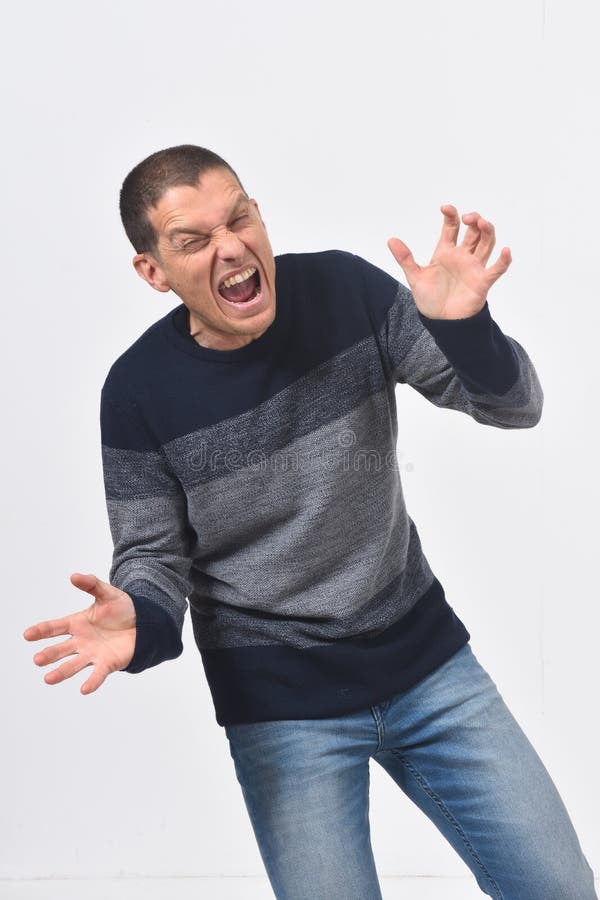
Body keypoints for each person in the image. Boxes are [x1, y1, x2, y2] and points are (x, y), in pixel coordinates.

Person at [24, 145, 597, 899]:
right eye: (194, 240)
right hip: (283, 707)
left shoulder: (343, 290)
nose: (230, 246)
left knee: (561, 889)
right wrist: (143, 621)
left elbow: (514, 407)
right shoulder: (136, 392)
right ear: (153, 272)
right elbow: (153, 559)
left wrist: (466, 329)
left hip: (428, 668)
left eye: (240, 217)